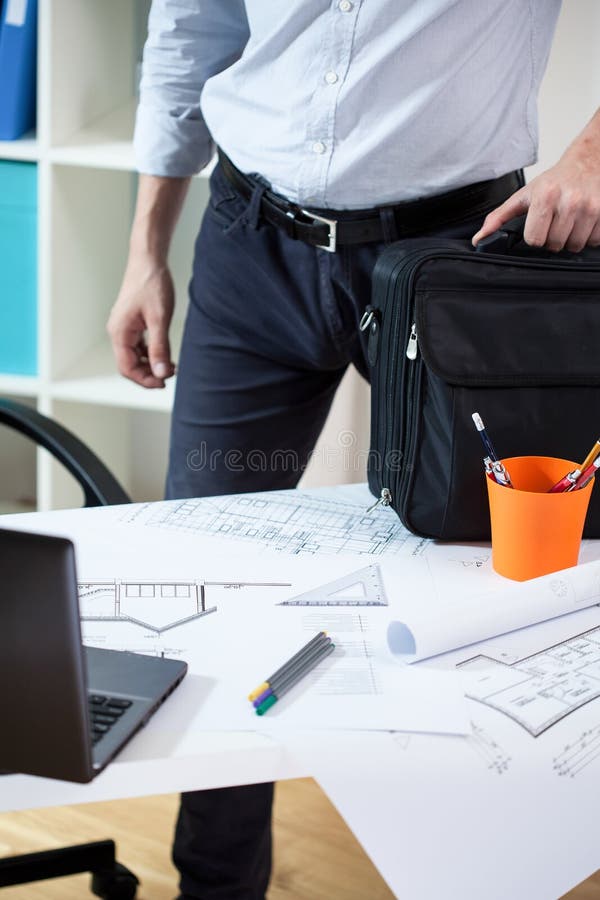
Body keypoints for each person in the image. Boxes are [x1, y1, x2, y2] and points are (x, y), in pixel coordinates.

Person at [108, 3, 600, 897]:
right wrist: (145, 249)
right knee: (213, 588)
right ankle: (214, 888)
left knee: (493, 590)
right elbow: (192, 27)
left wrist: (593, 154)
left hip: (456, 252)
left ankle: (484, 876)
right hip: (250, 240)